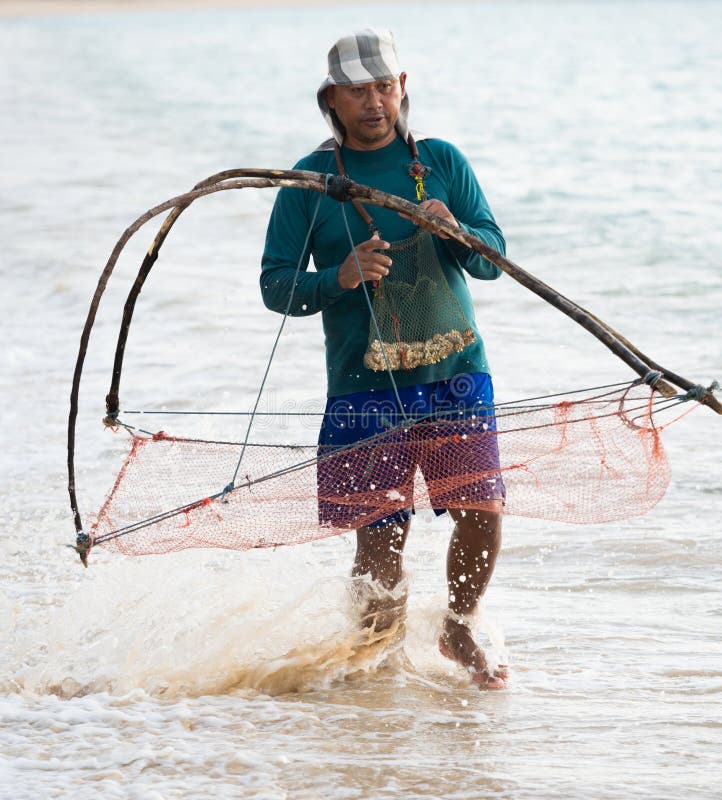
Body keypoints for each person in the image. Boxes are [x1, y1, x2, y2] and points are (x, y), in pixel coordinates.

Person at [260, 29, 508, 688]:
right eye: (356, 92)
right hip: (361, 384)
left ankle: (459, 625)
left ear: (402, 87)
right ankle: (377, 663)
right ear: (331, 100)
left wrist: (457, 232)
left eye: (383, 87)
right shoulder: (308, 183)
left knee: (483, 510)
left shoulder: (441, 161)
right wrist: (338, 278)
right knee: (379, 535)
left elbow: (494, 260)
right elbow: (275, 286)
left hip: (457, 375)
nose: (373, 103)